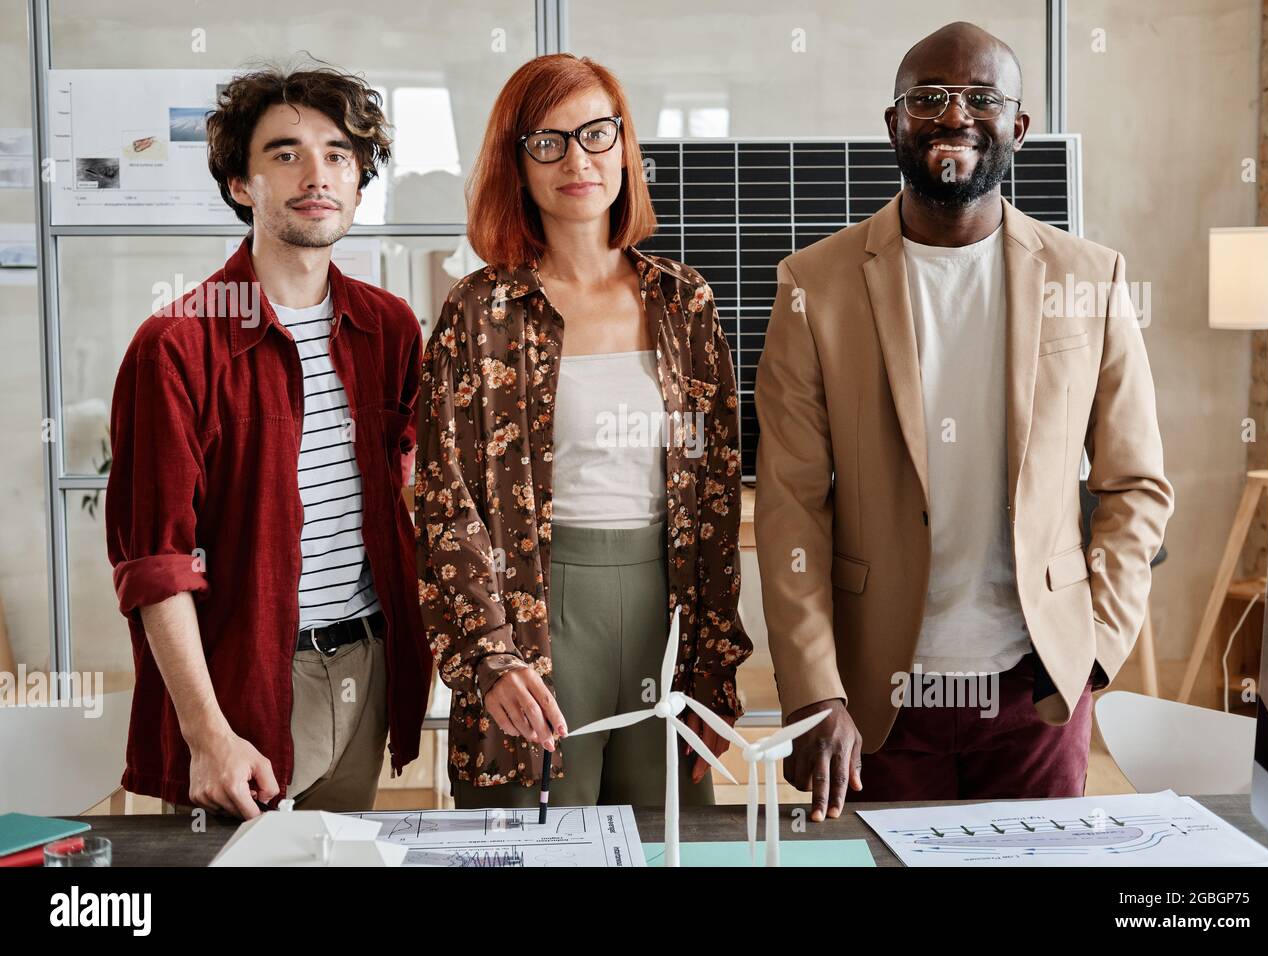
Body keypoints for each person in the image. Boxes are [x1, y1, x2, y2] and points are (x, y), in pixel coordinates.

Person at [755, 21, 1174, 818]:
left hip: (1036, 695)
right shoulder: (814, 284)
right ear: (894, 124)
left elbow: (1136, 484)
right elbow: (789, 507)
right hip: (874, 702)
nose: (955, 116)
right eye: (929, 99)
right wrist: (814, 691)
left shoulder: (1092, 277)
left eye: (982, 98)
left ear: (1018, 127)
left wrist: (1094, 652)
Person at [415, 53, 751, 808]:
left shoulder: (682, 301)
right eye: (549, 141)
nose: (578, 160)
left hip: (668, 613)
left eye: (597, 134)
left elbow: (717, 491)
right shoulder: (481, 309)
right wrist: (488, 656)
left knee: (668, 837)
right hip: (535, 607)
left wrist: (716, 662)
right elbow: (446, 499)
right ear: (518, 162)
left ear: (624, 146)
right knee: (537, 840)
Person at [105, 65, 432, 818]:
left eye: (339, 154)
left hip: (366, 664)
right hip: (243, 678)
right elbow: (156, 563)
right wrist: (208, 733)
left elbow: (407, 495)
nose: (316, 174)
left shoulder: (390, 329)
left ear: (358, 182)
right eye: (285, 153)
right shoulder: (176, 345)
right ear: (240, 184)